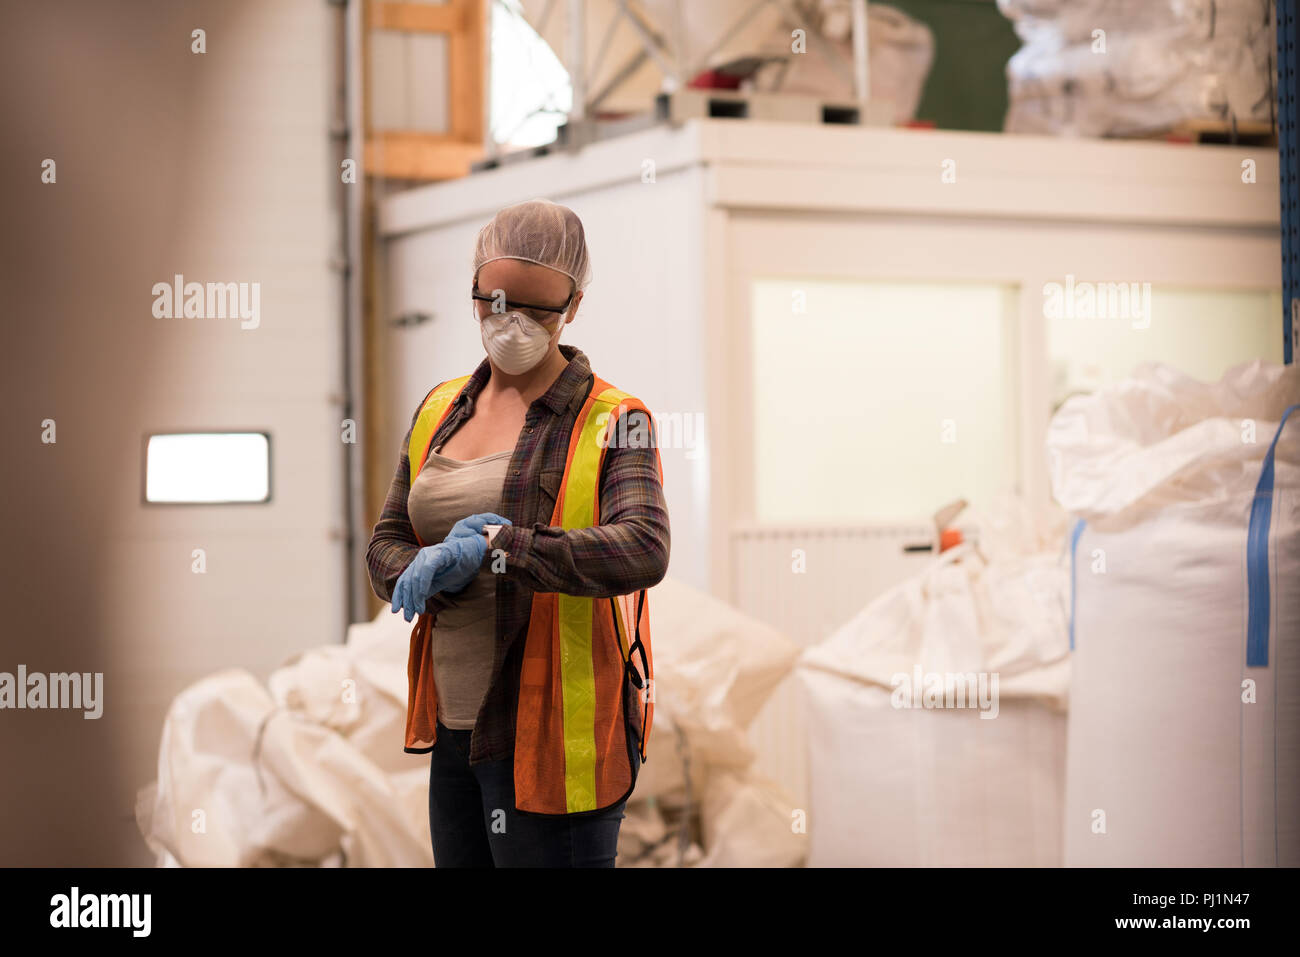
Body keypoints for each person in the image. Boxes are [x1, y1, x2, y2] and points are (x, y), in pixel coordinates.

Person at [366, 198, 670, 867]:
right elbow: (388, 536)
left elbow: (644, 546)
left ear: (575, 305)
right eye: (499, 302)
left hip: (556, 744)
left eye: (540, 310)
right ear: (474, 294)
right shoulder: (441, 408)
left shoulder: (619, 418)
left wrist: (501, 548)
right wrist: (417, 568)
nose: (515, 325)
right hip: (455, 728)